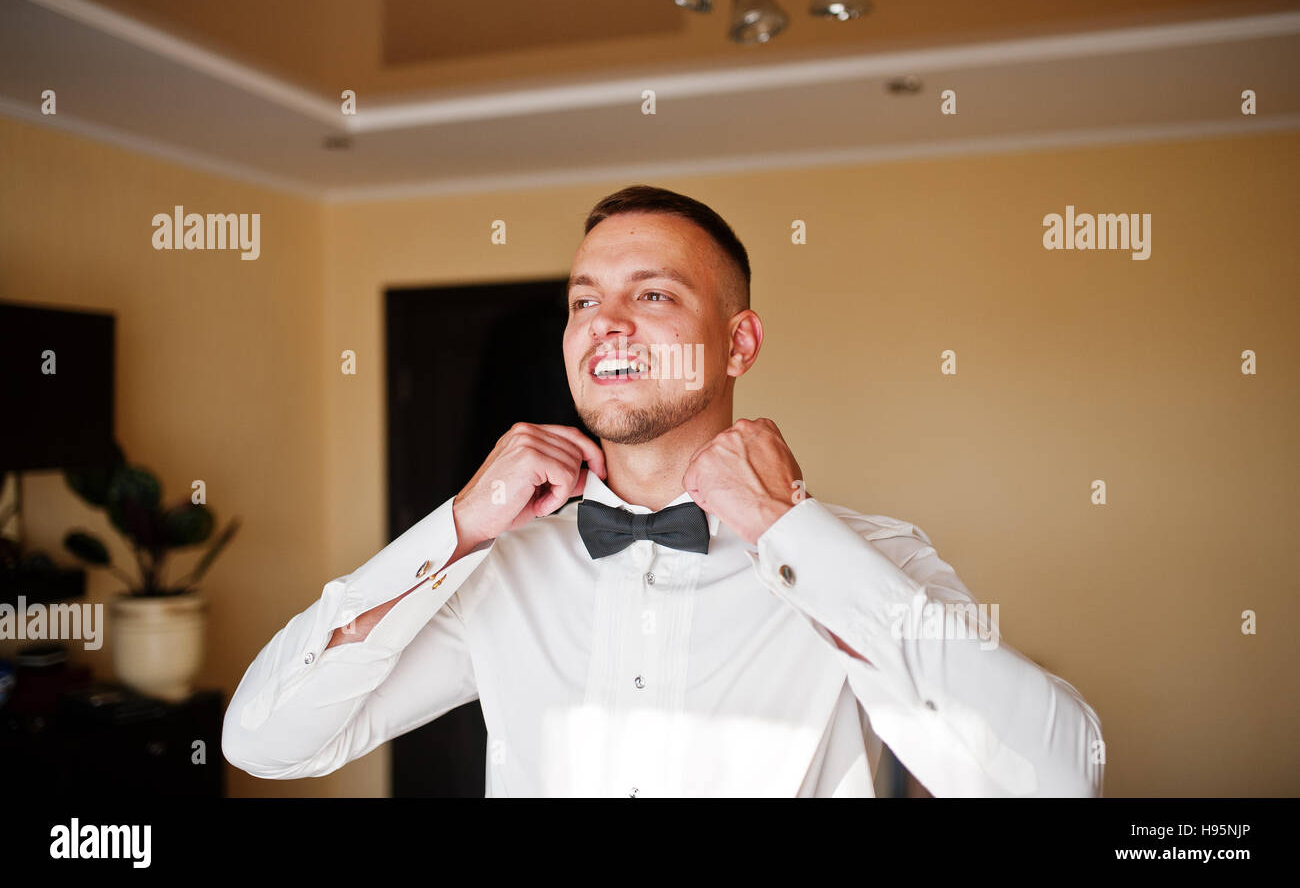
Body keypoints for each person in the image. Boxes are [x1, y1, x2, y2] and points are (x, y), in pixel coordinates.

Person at [222, 184, 1104, 797]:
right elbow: (264, 741)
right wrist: (454, 530)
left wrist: (791, 533)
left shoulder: (870, 558)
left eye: (653, 294)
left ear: (738, 343)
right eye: (582, 301)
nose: (604, 322)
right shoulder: (495, 572)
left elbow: (1055, 777)